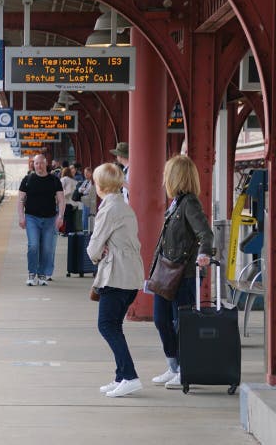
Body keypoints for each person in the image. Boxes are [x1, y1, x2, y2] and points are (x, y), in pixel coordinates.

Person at [150, 155, 213, 390]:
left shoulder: (190, 204)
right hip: (166, 274)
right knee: (161, 320)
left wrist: (204, 254)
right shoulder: (176, 203)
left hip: (183, 275)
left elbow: (205, 234)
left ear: (176, 177)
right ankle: (173, 365)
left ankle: (185, 368)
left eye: (167, 174)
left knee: (181, 323)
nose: (164, 178)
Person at [87, 163, 144, 398]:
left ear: (99, 184)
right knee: (115, 326)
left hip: (116, 276)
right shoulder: (124, 205)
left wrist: (97, 254)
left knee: (107, 326)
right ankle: (121, 376)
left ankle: (130, 377)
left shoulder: (108, 209)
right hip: (129, 275)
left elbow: (94, 247)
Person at [18, 154, 64, 286]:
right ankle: (32, 274)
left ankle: (42, 274)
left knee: (47, 248)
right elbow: (21, 200)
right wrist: (21, 217)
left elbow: (61, 200)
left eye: (41, 163)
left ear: (46, 164)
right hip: (32, 218)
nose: (39, 166)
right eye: (36, 163)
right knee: (33, 245)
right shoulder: (27, 180)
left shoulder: (54, 180)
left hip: (50, 219)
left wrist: (60, 216)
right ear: (34, 165)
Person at [77, 166, 97, 232]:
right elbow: (79, 190)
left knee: (88, 215)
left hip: (90, 199)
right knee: (84, 216)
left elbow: (88, 190)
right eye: (85, 173)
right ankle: (85, 230)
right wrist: (83, 190)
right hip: (85, 198)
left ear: (91, 173)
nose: (86, 174)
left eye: (87, 173)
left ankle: (89, 230)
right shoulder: (85, 181)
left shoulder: (93, 181)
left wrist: (83, 190)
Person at [59, 167, 78, 233]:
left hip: (66, 202)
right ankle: (71, 231)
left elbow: (60, 190)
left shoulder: (63, 179)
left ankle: (66, 231)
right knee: (72, 219)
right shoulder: (74, 181)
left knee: (66, 218)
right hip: (74, 203)